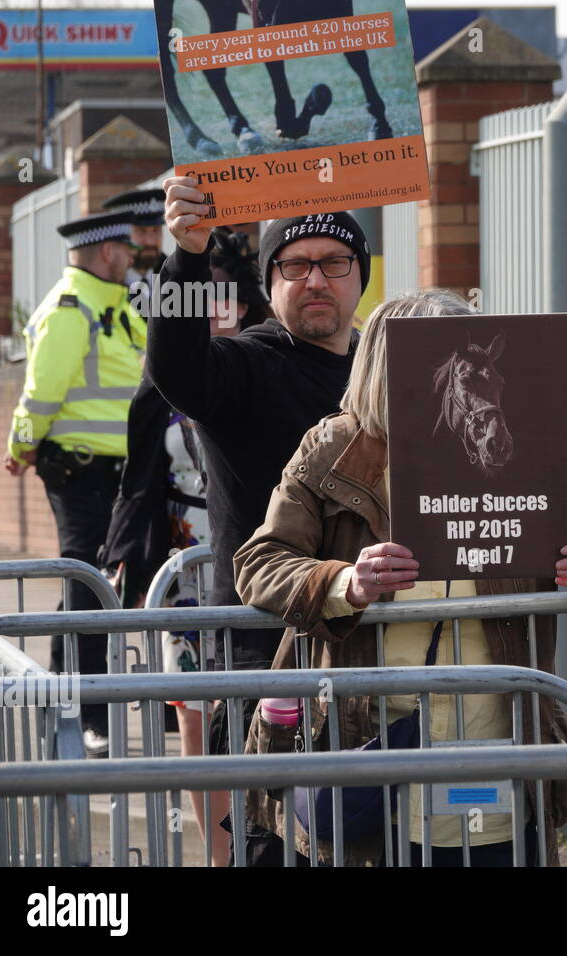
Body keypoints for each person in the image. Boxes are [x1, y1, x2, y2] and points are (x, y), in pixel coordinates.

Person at [231, 289, 567, 867]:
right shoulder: (332, 450)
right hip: (371, 753)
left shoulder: (522, 449)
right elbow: (261, 562)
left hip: (501, 755)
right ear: (391, 369)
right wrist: (344, 583)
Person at [150, 177, 368, 703]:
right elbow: (176, 369)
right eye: (294, 266)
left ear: (361, 276)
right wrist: (187, 256)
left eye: (335, 262)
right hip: (266, 648)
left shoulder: (384, 369)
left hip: (371, 644)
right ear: (270, 286)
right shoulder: (248, 364)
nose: (316, 280)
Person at [99, 228, 268, 864]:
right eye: (201, 299)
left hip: (255, 564)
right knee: (195, 716)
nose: (214, 309)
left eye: (224, 298)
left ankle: (272, 841)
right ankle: (221, 856)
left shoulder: (270, 363)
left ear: (247, 304)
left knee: (264, 711)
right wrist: (123, 551)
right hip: (183, 571)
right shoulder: (167, 374)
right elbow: (137, 476)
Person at [4, 210, 147, 757]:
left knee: (88, 586)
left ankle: (63, 699)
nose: (134, 258)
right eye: (128, 250)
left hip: (115, 472)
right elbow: (42, 389)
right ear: (107, 252)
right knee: (86, 583)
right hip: (78, 469)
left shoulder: (114, 304)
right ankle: (86, 715)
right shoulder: (72, 307)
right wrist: (21, 444)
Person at [103, 187, 167, 294]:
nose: (150, 241)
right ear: (121, 235)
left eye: (156, 230)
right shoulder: (106, 286)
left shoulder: (176, 278)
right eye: (141, 231)